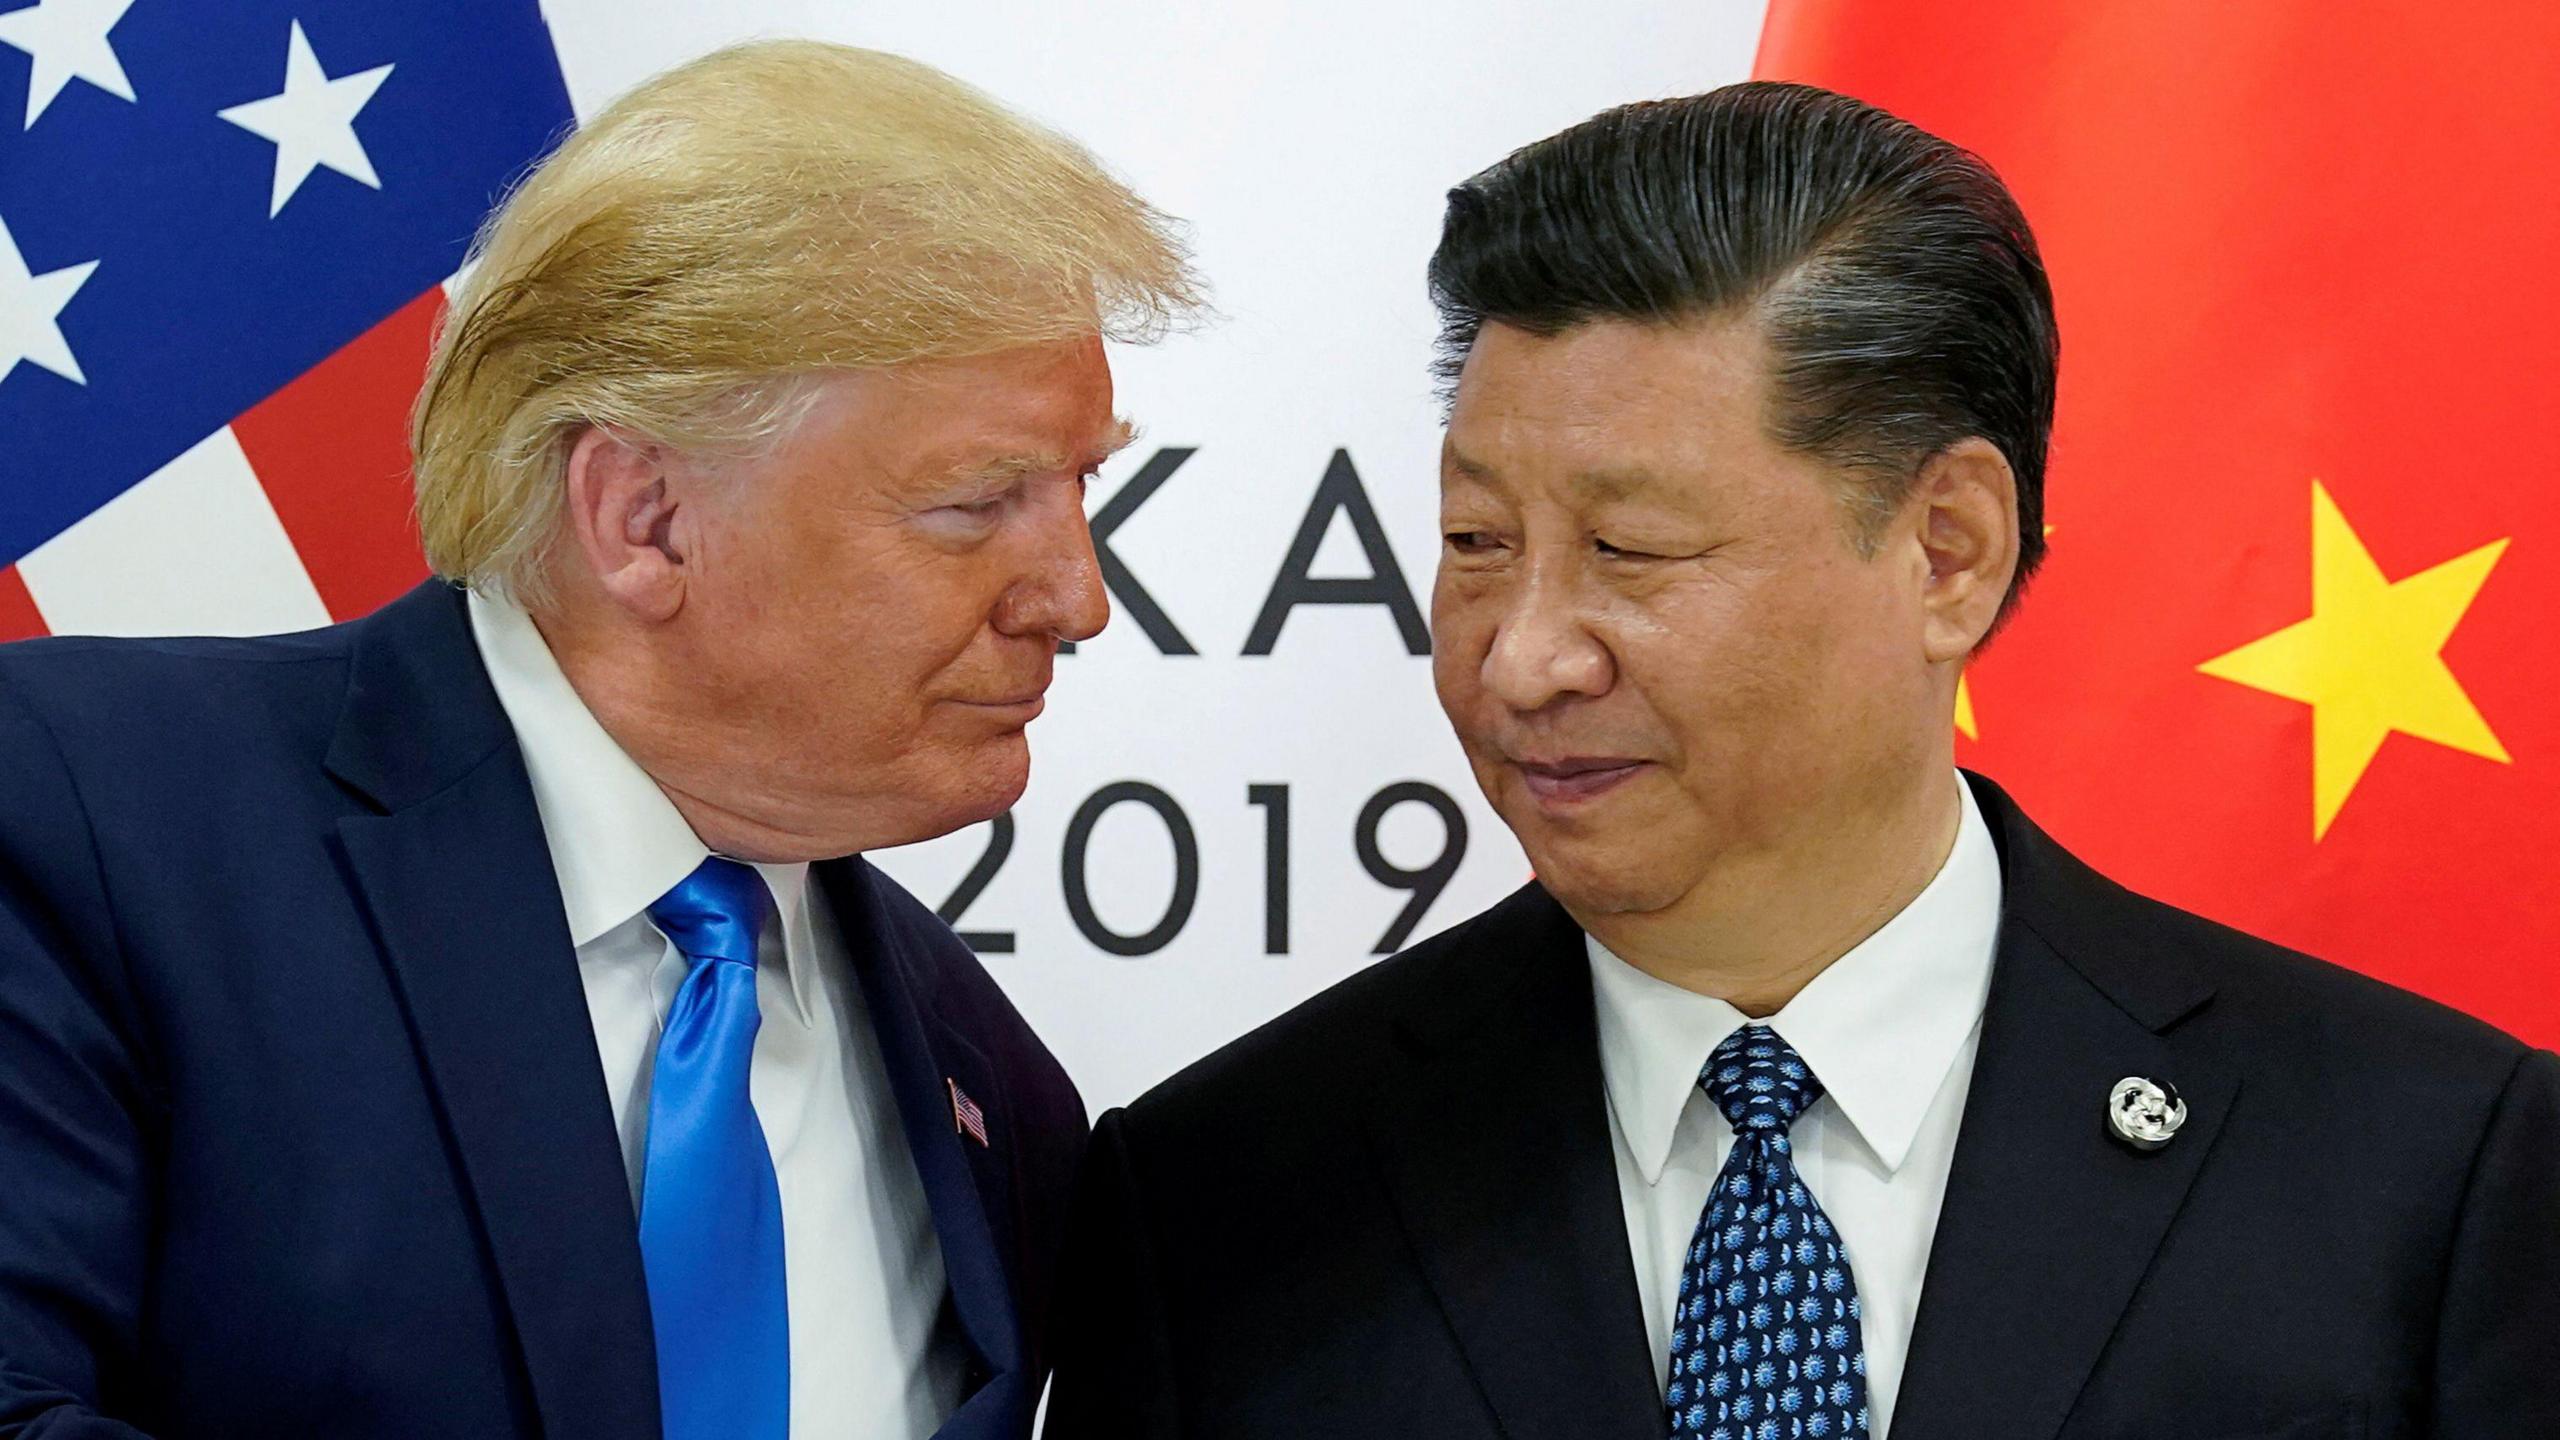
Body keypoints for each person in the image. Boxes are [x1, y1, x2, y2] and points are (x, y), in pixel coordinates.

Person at [1043, 81, 2560, 1439]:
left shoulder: (2430, 1173)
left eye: (1631, 550)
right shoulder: (1223, 1200)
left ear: (1948, 552)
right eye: (1477, 546)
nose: (1522, 659)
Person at [0, 40, 1197, 1440]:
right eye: (978, 502)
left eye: (1080, 487)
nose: (1081, 598)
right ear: (644, 518)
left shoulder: (994, 1082)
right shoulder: (85, 826)